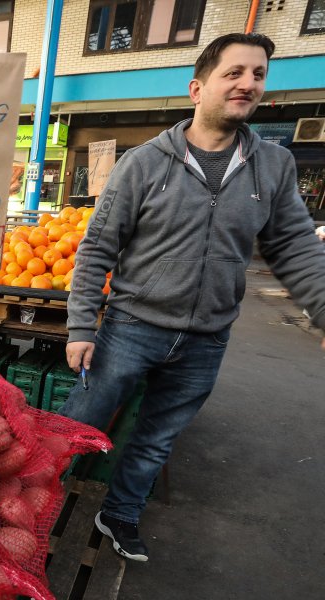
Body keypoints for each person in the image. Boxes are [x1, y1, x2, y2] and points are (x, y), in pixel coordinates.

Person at [59, 32, 325, 562]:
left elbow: (294, 246)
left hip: (207, 338)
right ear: (196, 87)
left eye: (258, 75)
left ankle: (119, 515)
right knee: (77, 425)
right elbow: (96, 249)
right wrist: (81, 326)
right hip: (131, 328)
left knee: (157, 439)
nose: (248, 84)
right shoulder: (143, 164)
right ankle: (30, 498)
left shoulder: (273, 166)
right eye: (234, 73)